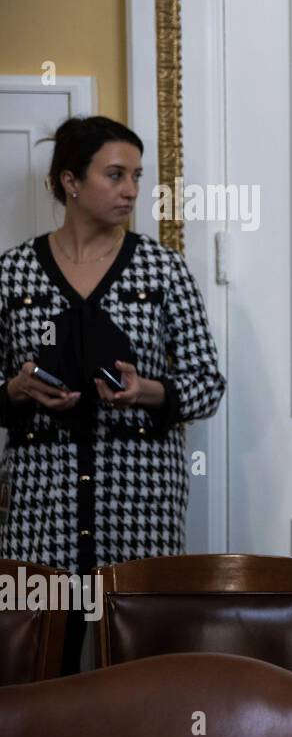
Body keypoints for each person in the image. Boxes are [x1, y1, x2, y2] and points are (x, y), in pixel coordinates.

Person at [0, 116, 226, 674]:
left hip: (142, 505)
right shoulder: (12, 275)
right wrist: (18, 388)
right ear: (70, 182)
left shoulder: (163, 271)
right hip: (39, 507)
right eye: (116, 175)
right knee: (35, 672)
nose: (131, 191)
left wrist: (147, 391)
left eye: (137, 177)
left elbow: (206, 384)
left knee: (139, 668)